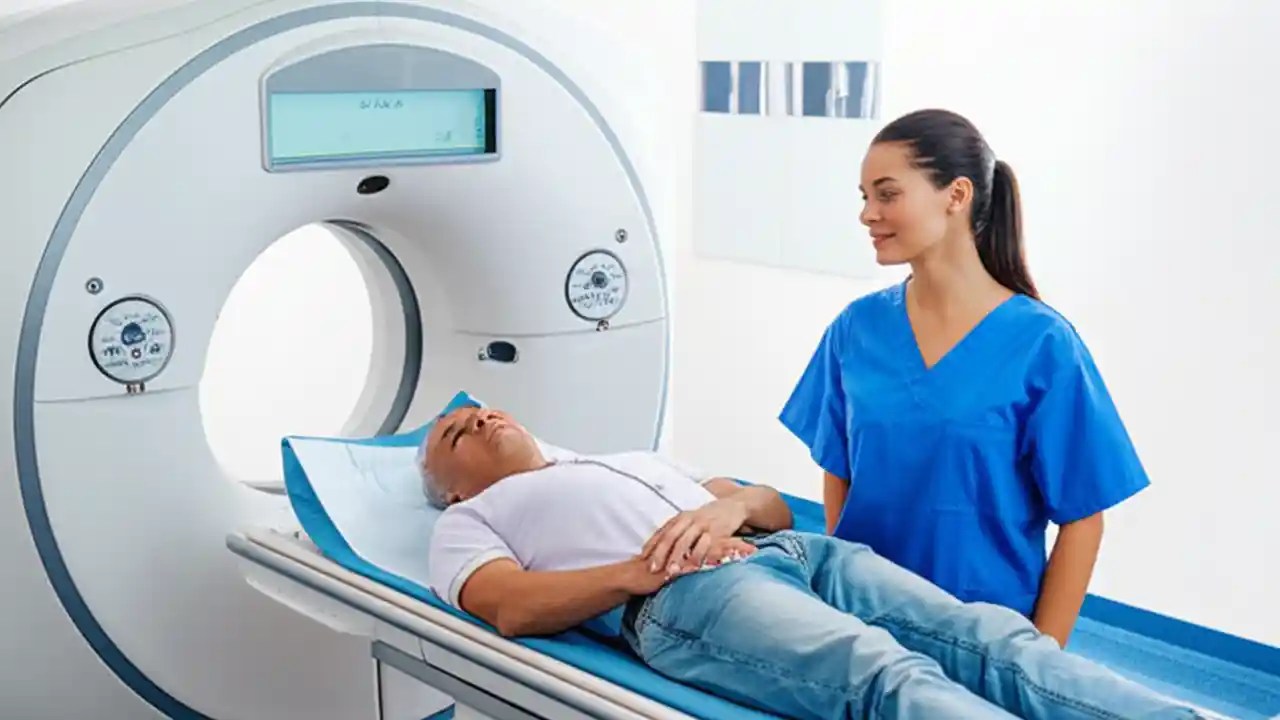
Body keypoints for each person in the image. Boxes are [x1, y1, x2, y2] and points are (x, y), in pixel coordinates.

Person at [420, 405, 1202, 720]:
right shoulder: (473, 521)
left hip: (794, 551)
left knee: (992, 639)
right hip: (686, 600)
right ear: (451, 491)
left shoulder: (614, 459)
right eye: (457, 432)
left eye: (485, 406)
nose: (481, 416)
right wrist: (636, 574)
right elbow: (511, 606)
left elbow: (769, 503)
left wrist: (727, 507)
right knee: (884, 674)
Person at [779, 108, 1151, 648]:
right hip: (862, 630)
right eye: (863, 196)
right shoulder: (856, 330)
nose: (868, 214)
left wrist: (1038, 661)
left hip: (983, 637)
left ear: (956, 195)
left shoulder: (1041, 344)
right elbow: (839, 471)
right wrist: (840, 594)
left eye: (887, 194)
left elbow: (1083, 519)